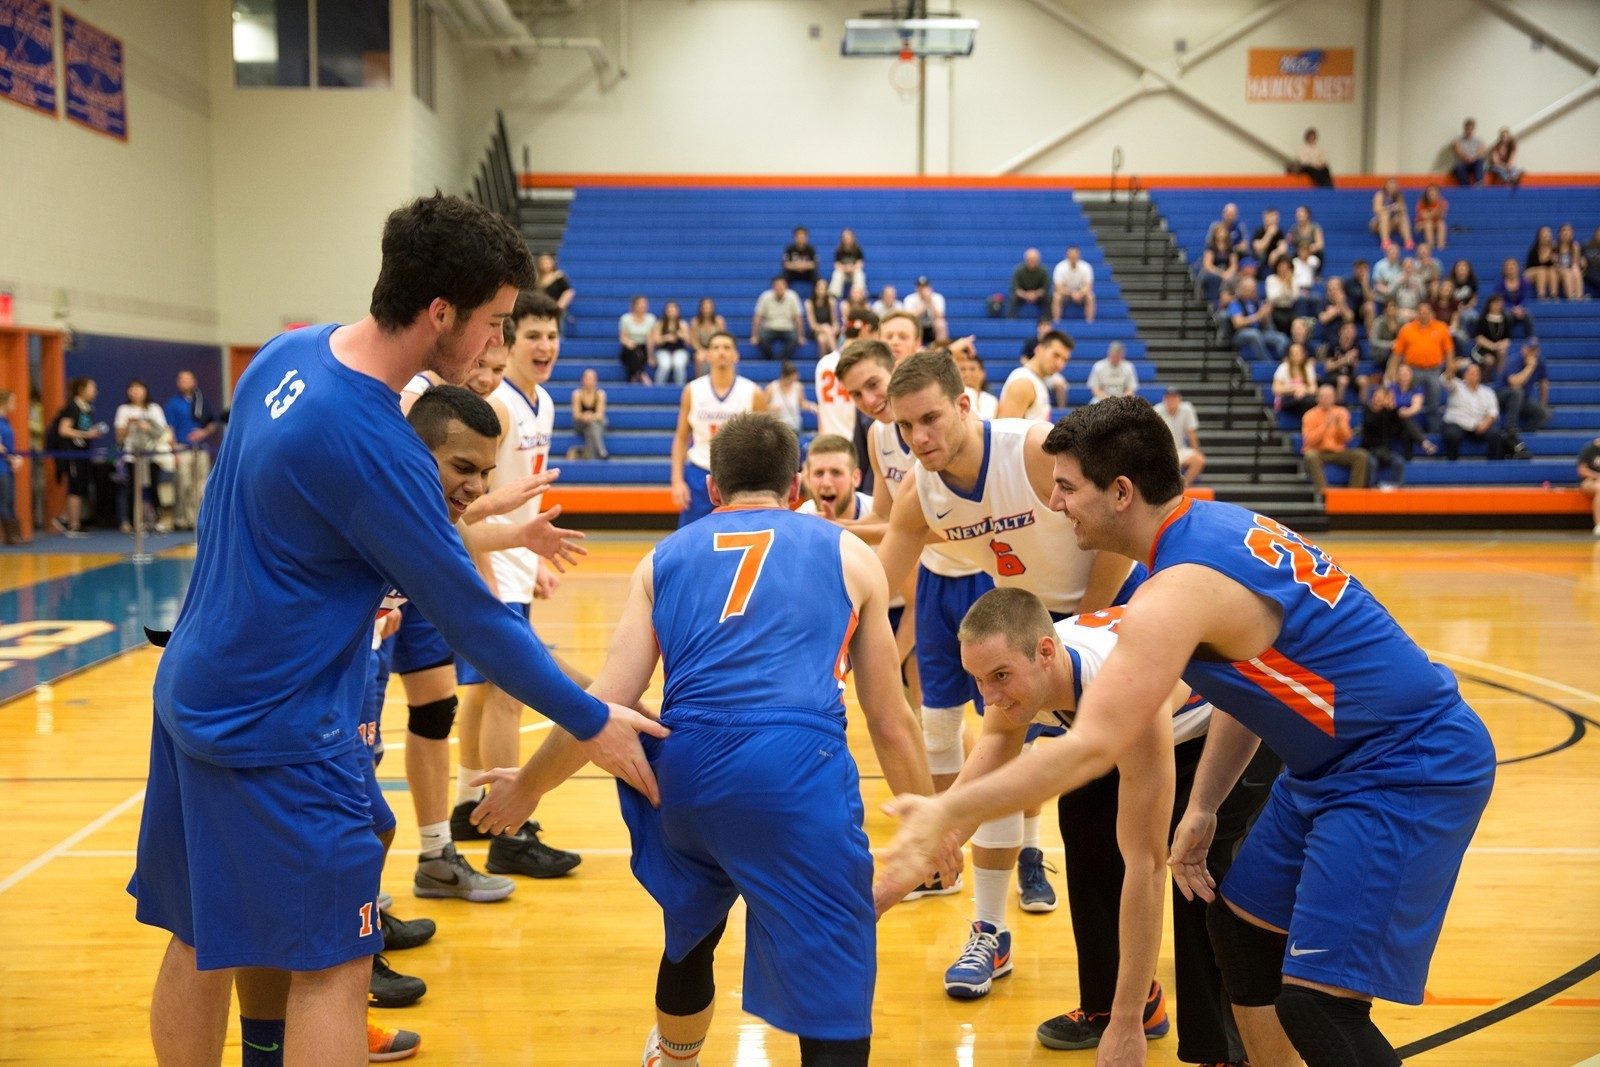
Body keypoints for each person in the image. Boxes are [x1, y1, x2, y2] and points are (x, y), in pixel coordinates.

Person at [126, 194, 666, 1067]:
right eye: (492, 324)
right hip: (283, 730)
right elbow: (477, 621)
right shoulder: (374, 444)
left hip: (194, 691)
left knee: (202, 936)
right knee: (333, 967)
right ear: (440, 312)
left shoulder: (286, 352)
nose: (496, 344)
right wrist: (590, 717)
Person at [876, 395, 1497, 1067]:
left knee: (1317, 1004)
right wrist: (1203, 803)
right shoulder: (1210, 528)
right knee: (1238, 930)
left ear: (1120, 491)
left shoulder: (1173, 593)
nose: (1056, 503)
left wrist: (945, 807)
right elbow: (1247, 688)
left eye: (1066, 488)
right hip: (1326, 770)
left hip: (1404, 762)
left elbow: (1090, 746)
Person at [472, 412, 933, 1067]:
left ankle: (677, 1055)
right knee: (832, 958)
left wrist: (528, 785)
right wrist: (932, 820)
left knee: (691, 932)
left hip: (685, 775)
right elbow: (889, 719)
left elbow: (606, 702)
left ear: (713, 489)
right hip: (796, 771)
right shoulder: (849, 551)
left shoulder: (660, 559)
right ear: (795, 484)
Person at [874, 352, 1145, 1007]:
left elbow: (1115, 520)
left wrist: (1089, 621)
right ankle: (990, 931)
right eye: (907, 427)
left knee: (1128, 810)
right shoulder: (920, 492)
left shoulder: (1030, 449)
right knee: (996, 760)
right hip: (1030, 622)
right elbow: (877, 588)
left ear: (968, 404)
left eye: (932, 418)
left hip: (1110, 608)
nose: (920, 438)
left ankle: (1137, 980)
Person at [952, 590, 1273, 1064]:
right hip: (1133, 725)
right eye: (979, 681)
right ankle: (1115, 1006)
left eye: (999, 677)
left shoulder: (1122, 682)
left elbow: (1145, 867)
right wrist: (931, 844)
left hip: (1227, 727)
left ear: (1046, 654)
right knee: (1082, 817)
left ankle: (1221, 1047)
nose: (990, 697)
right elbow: (978, 776)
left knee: (1196, 871)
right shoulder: (1021, 664)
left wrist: (1129, 1031)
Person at [443, 290, 599, 888]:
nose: (546, 346)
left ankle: (466, 808)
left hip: (510, 559)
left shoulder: (545, 404)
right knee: (508, 695)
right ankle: (511, 835)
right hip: (484, 561)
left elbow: (520, 489)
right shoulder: (499, 407)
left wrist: (530, 556)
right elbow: (466, 500)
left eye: (553, 336)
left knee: (482, 693)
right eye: (533, 335)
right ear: (508, 341)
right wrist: (483, 569)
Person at [670, 332, 766, 527]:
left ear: (736, 355)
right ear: (707, 355)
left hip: (740, 477)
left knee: (736, 539)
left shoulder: (753, 392)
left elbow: (764, 444)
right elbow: (681, 438)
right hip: (699, 474)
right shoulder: (692, 390)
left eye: (727, 347)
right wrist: (677, 481)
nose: (721, 352)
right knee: (691, 542)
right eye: (715, 347)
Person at [113, 378, 175, 534]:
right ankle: (134, 521)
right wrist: (129, 423)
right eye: (132, 388)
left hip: (152, 454)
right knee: (133, 488)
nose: (136, 392)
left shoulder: (154, 409)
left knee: (154, 486)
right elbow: (119, 437)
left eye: (139, 388)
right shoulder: (123, 409)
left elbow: (162, 431)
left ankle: (157, 521)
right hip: (132, 455)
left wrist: (146, 426)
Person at [49, 376, 105, 538]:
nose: (95, 391)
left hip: (82, 453)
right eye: (92, 388)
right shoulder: (72, 407)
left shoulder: (86, 408)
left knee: (81, 485)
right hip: (72, 452)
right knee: (76, 486)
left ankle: (67, 518)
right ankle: (72, 524)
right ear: (81, 390)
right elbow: (64, 430)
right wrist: (87, 434)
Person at [165, 369, 219, 530]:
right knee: (184, 484)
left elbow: (212, 423)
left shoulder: (202, 401)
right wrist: (173, 452)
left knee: (201, 484)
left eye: (188, 379)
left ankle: (199, 518)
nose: (185, 382)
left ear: (194, 381)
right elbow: (170, 429)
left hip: (200, 449)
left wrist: (204, 432)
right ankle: (183, 519)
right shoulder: (172, 404)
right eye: (181, 380)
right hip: (182, 448)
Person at [814, 309, 879, 441]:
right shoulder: (864, 365)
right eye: (877, 334)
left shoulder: (823, 363)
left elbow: (822, 412)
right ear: (866, 331)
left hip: (828, 443)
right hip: (854, 446)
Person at [1392, 301, 1452, 431]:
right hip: (1412, 371)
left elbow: (1449, 351)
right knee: (1408, 401)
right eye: (1421, 312)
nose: (1423, 314)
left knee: (1434, 404)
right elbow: (1396, 354)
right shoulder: (1406, 329)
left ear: (1432, 313)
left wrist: (1450, 370)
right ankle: (1411, 430)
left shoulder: (1441, 327)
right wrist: (1392, 373)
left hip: (1434, 370)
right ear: (1416, 313)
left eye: (1426, 312)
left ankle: (1434, 432)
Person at [1301, 383, 1369, 491]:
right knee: (1310, 456)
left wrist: (1340, 426)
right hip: (1318, 451)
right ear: (1318, 398)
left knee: (1361, 455)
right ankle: (1324, 491)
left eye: (1330, 396)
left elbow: (1347, 438)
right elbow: (1310, 440)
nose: (1328, 399)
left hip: (1338, 450)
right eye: (1324, 396)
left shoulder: (1341, 412)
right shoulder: (1310, 415)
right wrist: (1325, 426)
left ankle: (1355, 491)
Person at [1358, 385, 1424, 488]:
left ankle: (1397, 487)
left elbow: (1398, 426)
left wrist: (1393, 410)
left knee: (1399, 462)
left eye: (1381, 397)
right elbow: (1372, 423)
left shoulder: (1388, 412)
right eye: (1376, 396)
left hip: (1384, 450)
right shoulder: (1368, 410)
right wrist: (1384, 410)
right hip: (1369, 449)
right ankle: (1370, 488)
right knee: (1372, 463)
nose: (1378, 399)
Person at [1441, 359, 1506, 461]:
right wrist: (1454, 367)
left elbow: (1493, 411)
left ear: (1480, 376)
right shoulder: (1456, 386)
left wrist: (1485, 424)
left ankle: (1493, 467)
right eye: (1469, 373)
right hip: (1457, 423)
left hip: (1478, 425)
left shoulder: (1488, 392)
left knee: (1496, 436)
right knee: (1452, 435)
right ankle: (1452, 466)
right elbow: (1446, 379)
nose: (1472, 376)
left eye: (1475, 373)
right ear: (1464, 375)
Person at [999, 329, 1071, 420]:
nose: (1060, 364)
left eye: (1065, 360)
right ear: (1039, 350)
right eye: (1056, 355)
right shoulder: (1023, 383)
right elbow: (1007, 432)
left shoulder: (1038, 380)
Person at [797, 433, 871, 521]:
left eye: (836, 473)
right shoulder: (801, 520)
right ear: (808, 479)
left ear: (855, 478)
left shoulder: (880, 516)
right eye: (819, 473)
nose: (826, 483)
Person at [1227, 277, 1288, 363]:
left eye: (1253, 290)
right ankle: (1268, 364)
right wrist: (1258, 316)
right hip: (1240, 334)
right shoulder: (1235, 303)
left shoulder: (1258, 303)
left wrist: (1265, 316)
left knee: (1281, 338)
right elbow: (1238, 323)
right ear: (1241, 290)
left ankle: (1285, 363)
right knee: (1254, 335)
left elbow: (1265, 325)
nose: (1250, 292)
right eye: (1248, 289)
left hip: (1260, 331)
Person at [751, 275, 806, 362]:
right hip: (770, 327)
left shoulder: (793, 296)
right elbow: (757, 317)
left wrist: (800, 336)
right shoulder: (765, 297)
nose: (779, 288)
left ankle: (781, 359)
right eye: (777, 285)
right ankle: (772, 359)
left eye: (782, 285)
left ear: (786, 286)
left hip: (787, 327)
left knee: (793, 339)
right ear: (773, 287)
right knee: (763, 338)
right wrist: (754, 336)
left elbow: (798, 317)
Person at [1158, 387, 1206, 487]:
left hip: (1179, 450)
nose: (1171, 401)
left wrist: (1195, 450)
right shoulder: (1157, 410)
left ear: (1179, 399)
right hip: (1162, 452)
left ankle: (1184, 487)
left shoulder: (1187, 409)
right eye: (1168, 398)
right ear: (1164, 399)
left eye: (1174, 398)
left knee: (1199, 459)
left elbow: (1191, 433)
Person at [0, 389, 25, 544]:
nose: (14, 405)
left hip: (8, 464)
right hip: (1, 465)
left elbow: (8, 445)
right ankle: (11, 535)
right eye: (12, 401)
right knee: (4, 499)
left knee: (10, 499)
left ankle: (15, 533)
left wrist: (16, 457)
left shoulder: (6, 421)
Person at [651, 300, 694, 387]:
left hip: (679, 350)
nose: (671, 313)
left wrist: (682, 336)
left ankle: (680, 387)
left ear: (678, 312)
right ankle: (658, 386)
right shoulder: (660, 324)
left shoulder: (682, 324)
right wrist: (665, 338)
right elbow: (655, 340)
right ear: (665, 312)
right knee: (665, 365)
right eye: (669, 310)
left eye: (673, 310)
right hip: (663, 350)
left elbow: (689, 342)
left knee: (678, 364)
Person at [765, 360, 814, 435]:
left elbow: (801, 404)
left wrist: (812, 406)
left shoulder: (798, 387)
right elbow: (762, 407)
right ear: (784, 377)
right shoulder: (771, 388)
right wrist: (771, 408)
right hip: (777, 427)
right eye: (790, 379)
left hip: (794, 426)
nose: (791, 382)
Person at [571, 367, 609, 459]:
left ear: (596, 381)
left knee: (592, 428)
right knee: (592, 426)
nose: (589, 381)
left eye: (591, 379)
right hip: (581, 423)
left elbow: (600, 415)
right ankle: (601, 450)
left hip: (596, 423)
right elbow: (576, 415)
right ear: (582, 380)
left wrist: (590, 416)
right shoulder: (577, 394)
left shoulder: (600, 394)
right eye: (587, 378)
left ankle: (591, 457)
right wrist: (584, 416)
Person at [1052, 246, 1096, 323]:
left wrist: (1080, 293)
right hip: (1065, 293)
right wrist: (1071, 293)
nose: (1073, 257)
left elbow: (1088, 286)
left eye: (1074, 255)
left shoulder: (1086, 267)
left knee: (1090, 297)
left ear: (1079, 256)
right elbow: (1058, 288)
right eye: (1070, 255)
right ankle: (1056, 321)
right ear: (1067, 256)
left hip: (1081, 293)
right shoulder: (1060, 267)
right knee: (1056, 296)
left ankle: (1090, 322)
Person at [619, 295, 656, 383]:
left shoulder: (651, 319)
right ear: (634, 305)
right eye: (640, 304)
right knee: (631, 352)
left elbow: (650, 339)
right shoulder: (626, 318)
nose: (642, 306)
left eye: (644, 304)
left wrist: (651, 356)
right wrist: (629, 343)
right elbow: (622, 338)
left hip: (644, 347)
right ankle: (642, 374)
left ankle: (634, 377)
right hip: (629, 347)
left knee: (638, 354)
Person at [956, 347, 998, 421]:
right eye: (963, 369)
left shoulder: (992, 401)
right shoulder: (954, 399)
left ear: (982, 373)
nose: (967, 374)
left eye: (972, 369)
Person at [903, 276, 949, 344]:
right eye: (920, 287)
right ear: (916, 288)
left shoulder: (938, 298)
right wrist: (923, 307)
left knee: (941, 323)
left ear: (930, 288)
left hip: (931, 328)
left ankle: (941, 350)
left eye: (925, 287)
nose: (922, 289)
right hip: (917, 327)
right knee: (908, 324)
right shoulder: (909, 299)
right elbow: (909, 318)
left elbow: (940, 316)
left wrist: (930, 302)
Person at [1369, 178, 1412, 250]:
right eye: (1390, 184)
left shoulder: (1398, 196)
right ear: (1386, 186)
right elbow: (1377, 210)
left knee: (1403, 216)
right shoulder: (1380, 194)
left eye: (1394, 185)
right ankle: (1385, 241)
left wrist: (1399, 208)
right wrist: (1391, 208)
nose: (1392, 186)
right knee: (1385, 216)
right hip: (1378, 223)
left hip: (1392, 223)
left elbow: (1404, 208)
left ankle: (1408, 241)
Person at [1009, 247, 1052, 319]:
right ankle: (1010, 321)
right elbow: (1015, 288)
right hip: (1023, 295)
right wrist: (1026, 295)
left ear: (1038, 260)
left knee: (1048, 298)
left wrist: (1035, 294)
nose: (1032, 262)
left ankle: (1048, 320)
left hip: (1038, 296)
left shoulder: (1043, 270)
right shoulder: (1019, 270)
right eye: (1030, 260)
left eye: (1034, 260)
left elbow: (1046, 287)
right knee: (1013, 298)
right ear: (1026, 260)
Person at [690, 297, 726, 376]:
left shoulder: (719, 321)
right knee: (700, 358)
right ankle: (699, 381)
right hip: (701, 348)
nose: (707, 310)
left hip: (716, 348)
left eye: (709, 308)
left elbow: (722, 338)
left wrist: (712, 350)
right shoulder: (695, 322)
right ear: (701, 309)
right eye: (705, 308)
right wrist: (702, 350)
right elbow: (694, 341)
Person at [806, 278, 839, 356]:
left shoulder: (831, 302)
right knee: (826, 328)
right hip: (816, 330)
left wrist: (834, 329)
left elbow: (834, 321)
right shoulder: (809, 303)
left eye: (824, 289)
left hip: (830, 331)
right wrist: (824, 328)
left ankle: (822, 364)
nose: (821, 291)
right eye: (820, 289)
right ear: (815, 289)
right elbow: (812, 325)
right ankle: (836, 355)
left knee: (822, 340)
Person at [830, 227, 867, 298]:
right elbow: (836, 265)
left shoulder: (858, 249)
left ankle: (860, 294)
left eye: (848, 238)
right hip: (843, 273)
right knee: (837, 273)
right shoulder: (838, 250)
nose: (847, 240)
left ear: (852, 238)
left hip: (853, 272)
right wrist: (846, 268)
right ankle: (834, 295)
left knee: (859, 273)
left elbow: (860, 263)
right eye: (845, 238)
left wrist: (852, 268)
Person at [1554, 223, 1588, 301]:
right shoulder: (1555, 246)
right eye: (1564, 231)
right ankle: (1570, 296)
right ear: (1559, 234)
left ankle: (1579, 296)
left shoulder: (1575, 246)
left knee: (1575, 270)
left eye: (1569, 231)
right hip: (1559, 270)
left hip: (1570, 269)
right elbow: (1555, 263)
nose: (1566, 233)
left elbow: (1574, 264)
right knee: (1567, 272)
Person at [535, 253, 574, 319]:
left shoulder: (558, 276)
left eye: (547, 262)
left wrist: (558, 307)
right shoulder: (537, 279)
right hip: (541, 310)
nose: (545, 264)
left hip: (556, 309)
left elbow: (568, 292)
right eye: (543, 262)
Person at [1413, 184, 1449, 251]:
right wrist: (1436, 211)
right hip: (1421, 224)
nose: (1432, 192)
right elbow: (1425, 216)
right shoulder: (1422, 202)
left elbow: (1442, 216)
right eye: (1430, 191)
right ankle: (1430, 246)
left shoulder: (1442, 203)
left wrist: (1439, 209)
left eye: (1434, 191)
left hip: (1436, 223)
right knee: (1428, 223)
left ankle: (1440, 246)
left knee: (1441, 223)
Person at [1451, 117, 1485, 186]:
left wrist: (1473, 157)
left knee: (1481, 160)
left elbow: (1481, 152)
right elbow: (1458, 151)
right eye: (1467, 129)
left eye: (1471, 129)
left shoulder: (1479, 141)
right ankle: (1465, 186)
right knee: (1458, 166)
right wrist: (1466, 157)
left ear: (1474, 130)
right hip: (1463, 163)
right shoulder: (1457, 140)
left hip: (1474, 163)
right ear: (1464, 129)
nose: (1469, 131)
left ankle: (1479, 183)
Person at [1578, 436, 1600, 536]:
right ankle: (1598, 524)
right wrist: (1597, 476)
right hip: (1590, 481)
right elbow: (1582, 470)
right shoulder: (1589, 449)